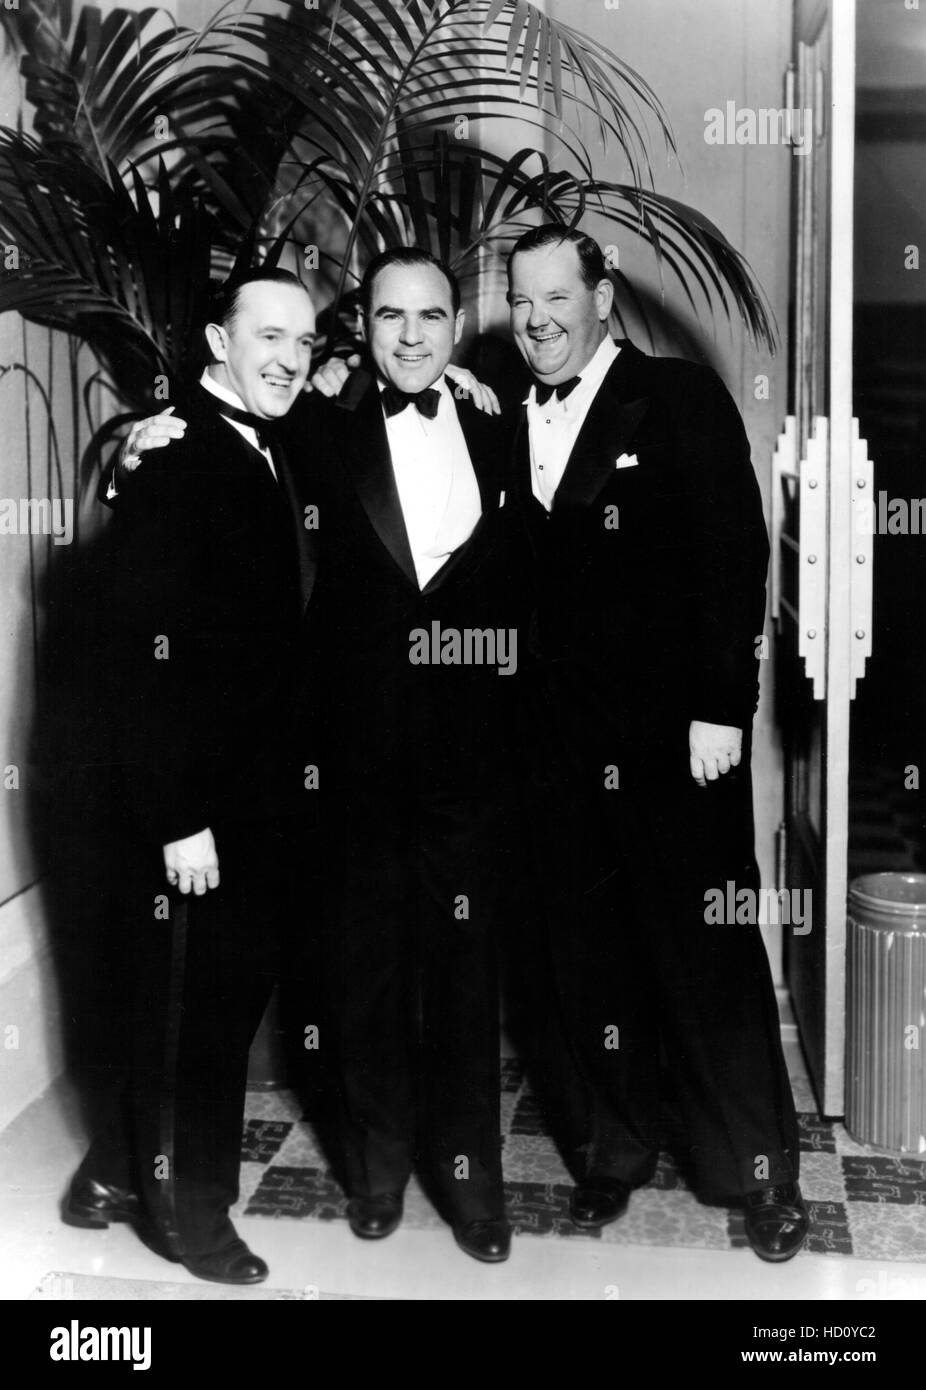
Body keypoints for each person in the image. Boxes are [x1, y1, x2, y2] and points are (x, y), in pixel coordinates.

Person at [118, 248, 520, 1264]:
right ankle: (376, 1175)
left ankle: (471, 1186)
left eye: (434, 317)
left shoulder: (493, 418)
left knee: (466, 982)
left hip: (468, 766)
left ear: (456, 324)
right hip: (346, 769)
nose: (415, 337)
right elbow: (196, 432)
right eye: (392, 316)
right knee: (363, 982)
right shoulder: (315, 433)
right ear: (368, 330)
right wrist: (129, 437)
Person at [503, 224, 807, 1262]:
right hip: (550, 749)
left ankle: (753, 1173)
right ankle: (614, 1151)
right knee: (585, 961)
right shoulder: (496, 411)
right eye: (521, 300)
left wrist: (723, 706)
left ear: (602, 292)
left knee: (705, 958)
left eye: (556, 296)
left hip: (675, 743)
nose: (538, 318)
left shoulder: (673, 397)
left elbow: (731, 557)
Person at [63, 268, 317, 1285]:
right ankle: (191, 1215)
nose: (287, 357)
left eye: (303, 340)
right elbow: (139, 657)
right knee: (196, 1024)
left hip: (257, 798)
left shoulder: (281, 443)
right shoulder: (170, 457)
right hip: (196, 809)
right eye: (267, 336)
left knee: (204, 1002)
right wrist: (177, 817)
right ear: (218, 340)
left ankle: (114, 1174)